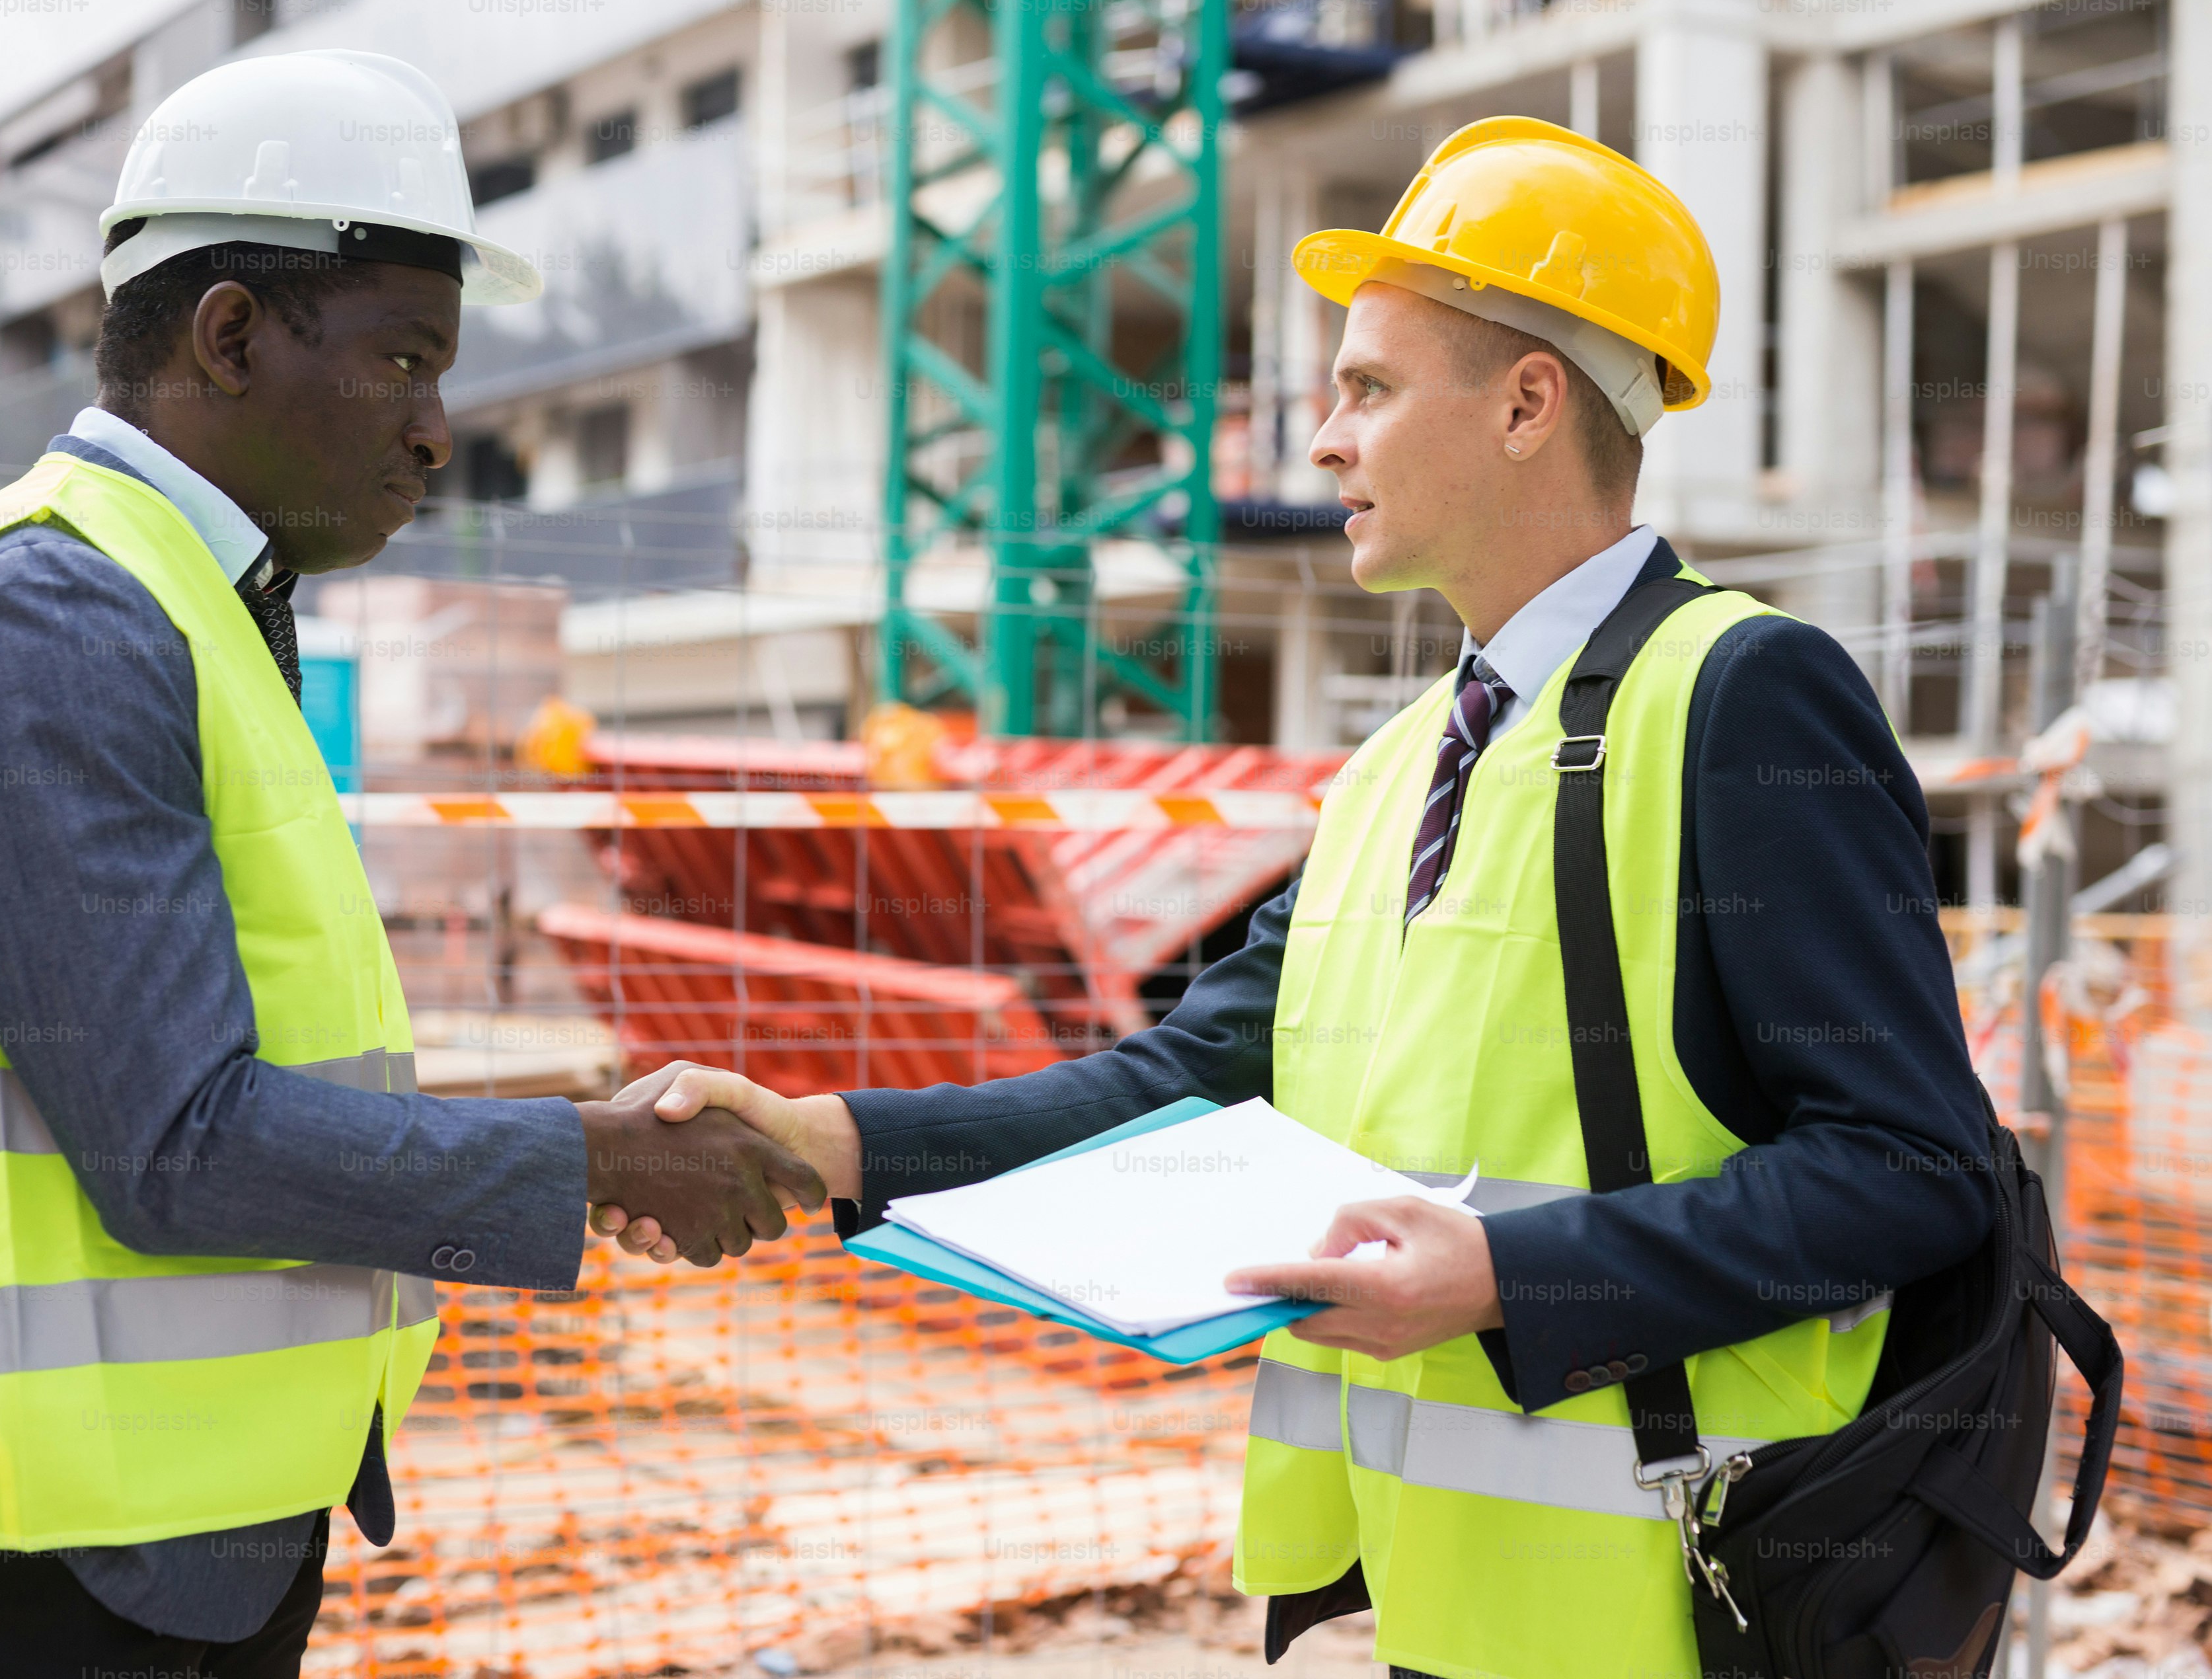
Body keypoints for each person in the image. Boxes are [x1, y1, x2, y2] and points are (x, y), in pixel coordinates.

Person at [589, 119, 1997, 1679]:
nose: (1323, 442)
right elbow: (1186, 1079)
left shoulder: (1743, 696)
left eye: (1369, 389)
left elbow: (1911, 1166)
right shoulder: (1402, 764)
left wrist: (1507, 1282)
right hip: (1442, 1614)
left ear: (1528, 404)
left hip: (1690, 1614)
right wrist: (823, 1141)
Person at [0, 50, 820, 1678]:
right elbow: (174, 1140)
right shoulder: (50, 609)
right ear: (232, 335)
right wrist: (591, 1157)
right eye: (404, 361)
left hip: (157, 1535)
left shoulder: (188, 606)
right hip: (10, 1553)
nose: (438, 432)